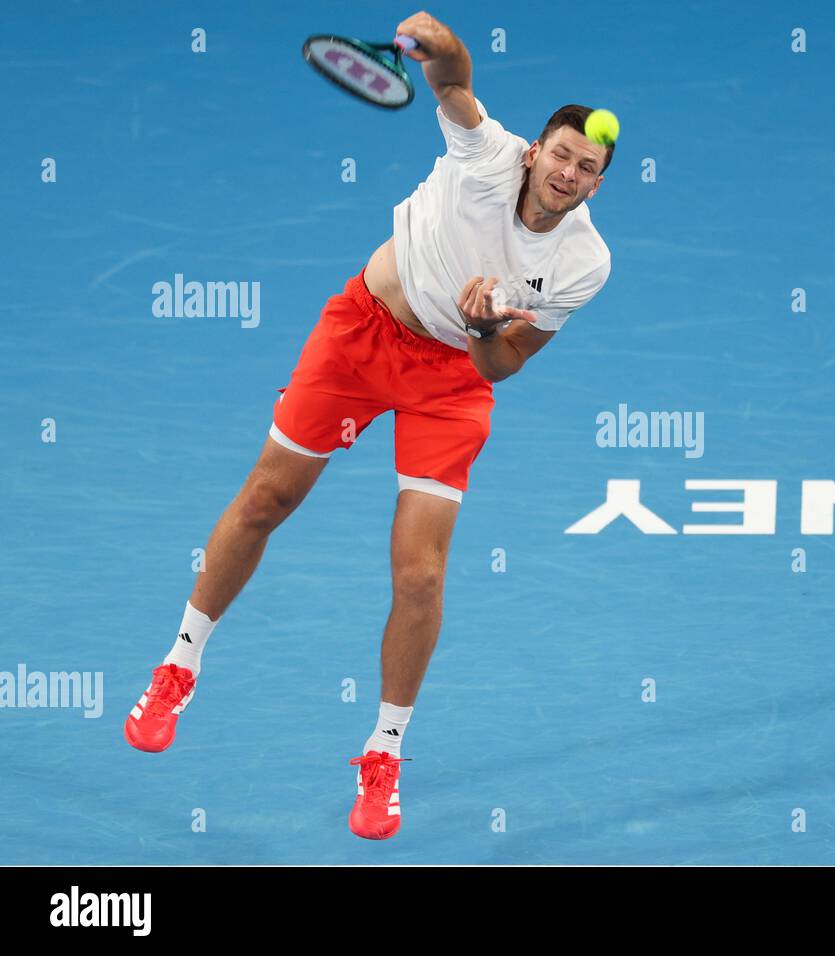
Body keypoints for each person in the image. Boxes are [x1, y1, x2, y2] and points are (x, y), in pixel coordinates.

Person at [123, 10, 613, 841]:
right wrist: (436, 35)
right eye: (561, 153)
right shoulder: (485, 153)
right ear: (535, 151)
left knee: (419, 575)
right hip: (360, 336)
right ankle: (179, 662)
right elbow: (454, 77)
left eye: (587, 168)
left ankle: (383, 754)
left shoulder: (584, 264)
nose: (569, 172)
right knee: (266, 500)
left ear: (598, 184)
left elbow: (507, 367)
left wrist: (488, 328)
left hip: (453, 382)